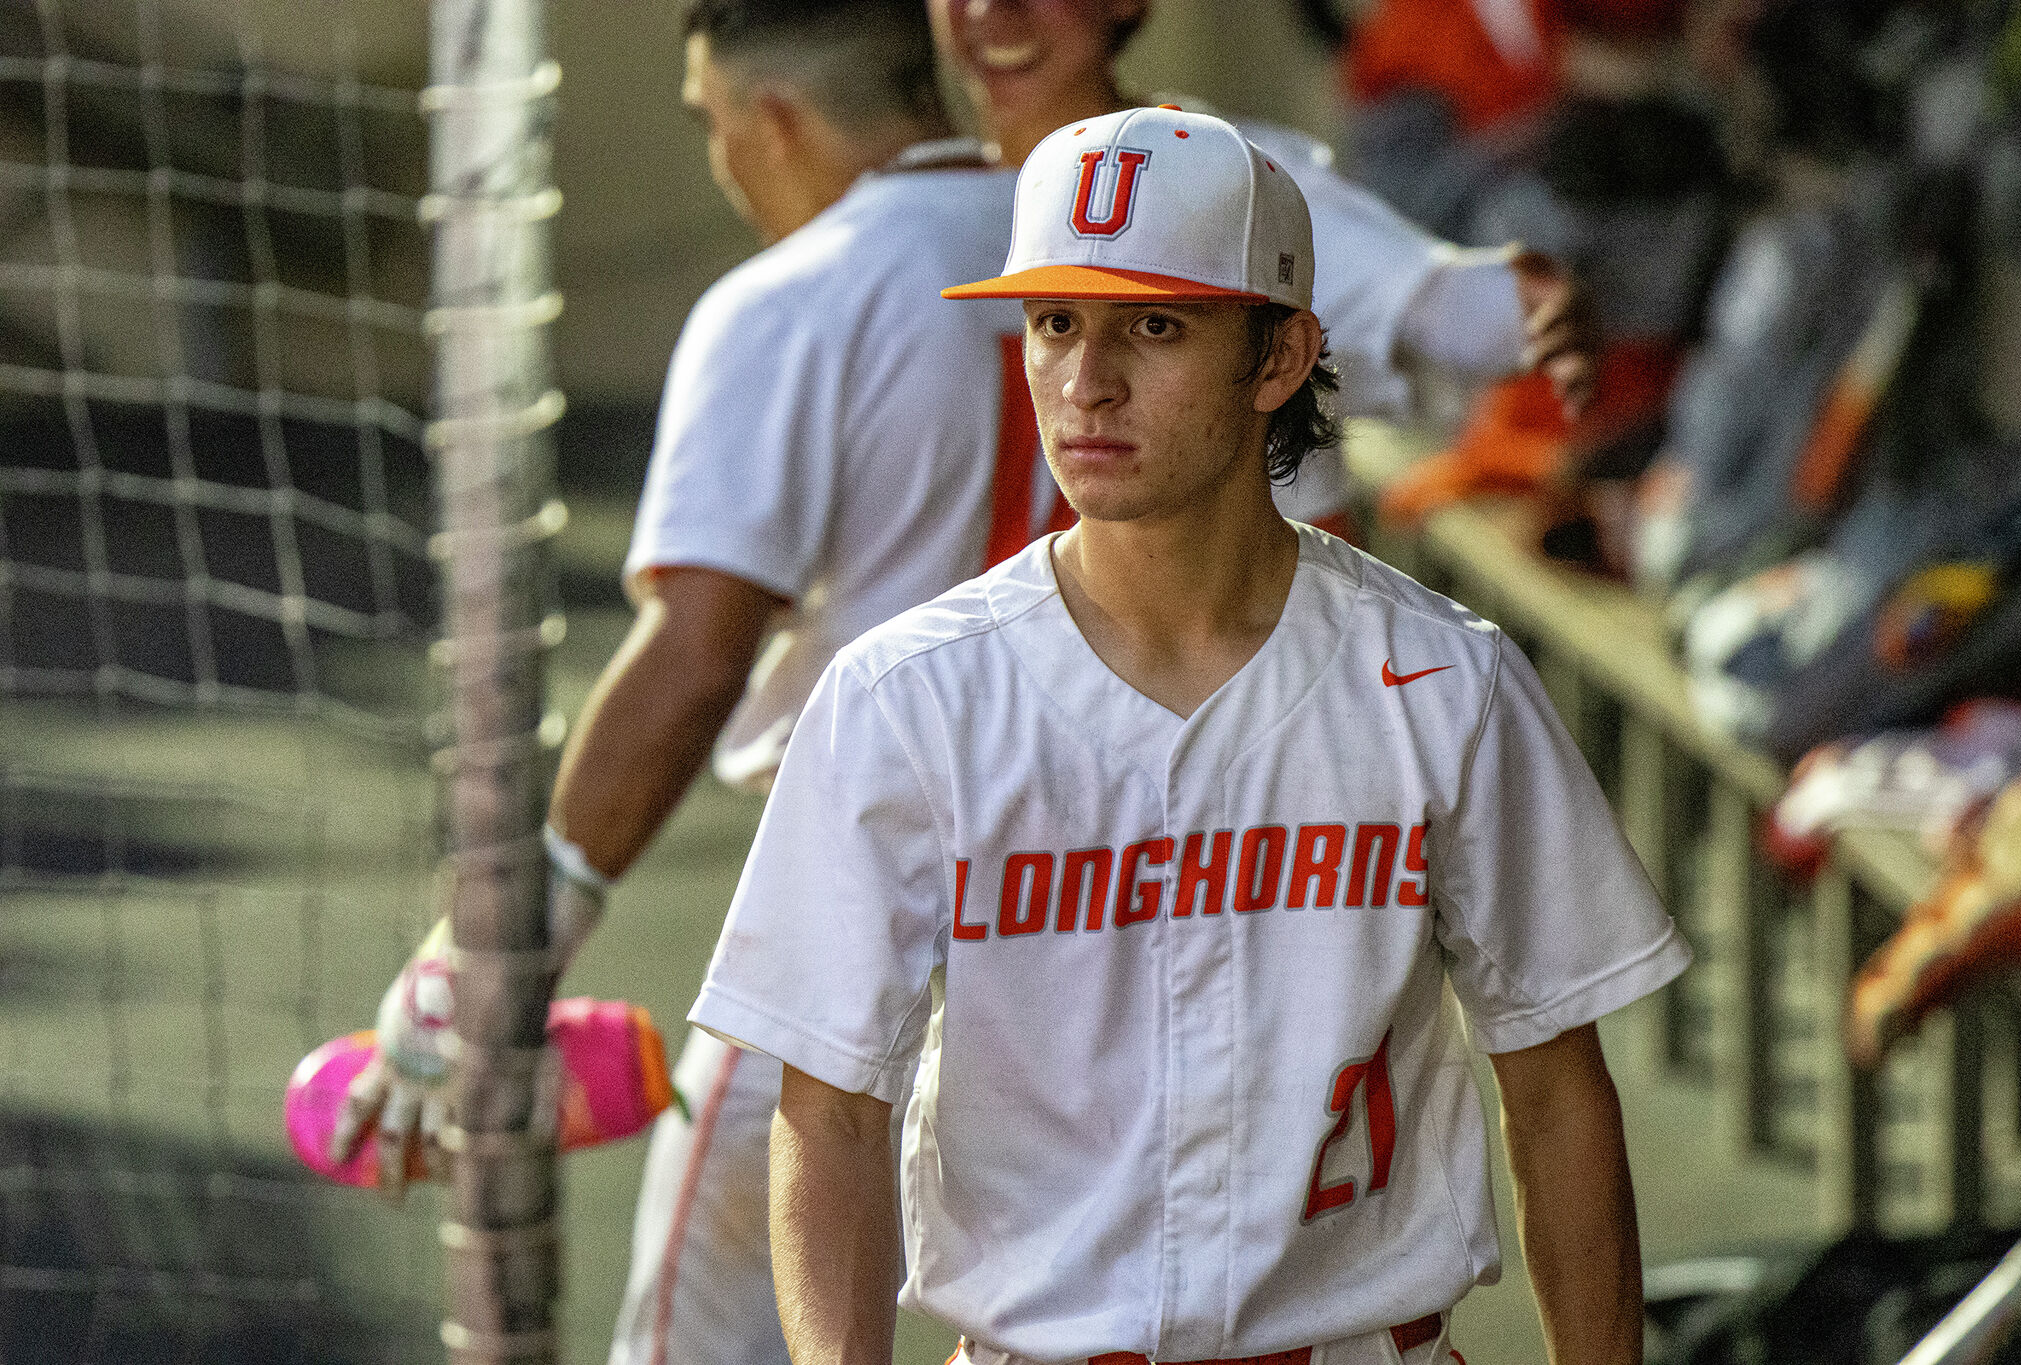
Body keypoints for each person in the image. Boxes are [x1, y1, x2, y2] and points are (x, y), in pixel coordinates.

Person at [691, 106, 1690, 1365]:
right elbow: (831, 1110)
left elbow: (1553, 1089)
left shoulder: (1444, 682)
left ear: (1279, 357)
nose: (1085, 382)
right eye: (1055, 324)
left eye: (1153, 326)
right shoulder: (906, 697)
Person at [330, 4, 1053, 1363]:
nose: (722, 163)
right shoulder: (1083, 252)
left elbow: (697, 654)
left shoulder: (798, 295)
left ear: (772, 120)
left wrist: (499, 951)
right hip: (1105, 900)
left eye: (713, 126)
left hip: (872, 906)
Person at [926, 0, 1600, 504]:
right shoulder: (905, 205)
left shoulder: (1237, 179)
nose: (988, 8)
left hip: (1267, 634)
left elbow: (1464, 311)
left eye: (1156, 324)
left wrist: (1532, 307)